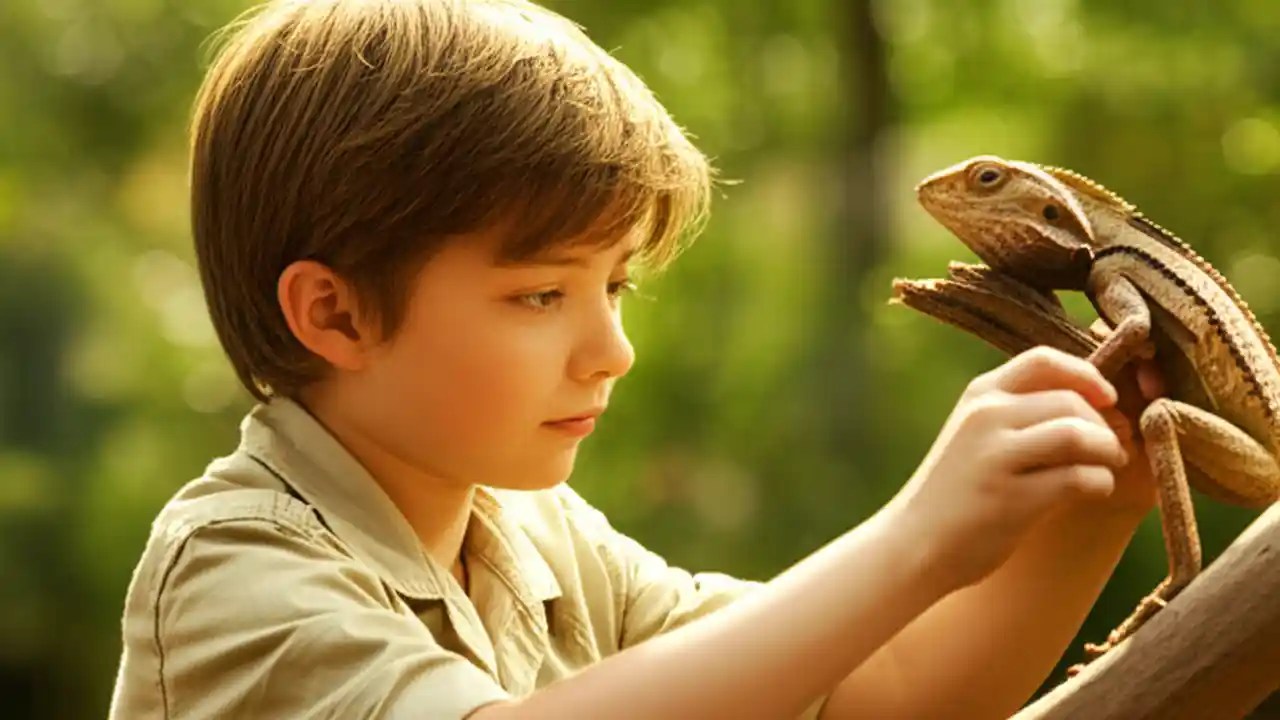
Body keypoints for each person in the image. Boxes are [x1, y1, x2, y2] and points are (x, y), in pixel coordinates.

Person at [108, 0, 1163, 717]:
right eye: (539, 294)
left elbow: (872, 691)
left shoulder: (542, 542)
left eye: (612, 287)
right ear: (334, 315)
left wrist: (1095, 494)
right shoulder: (232, 568)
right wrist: (915, 539)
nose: (609, 351)